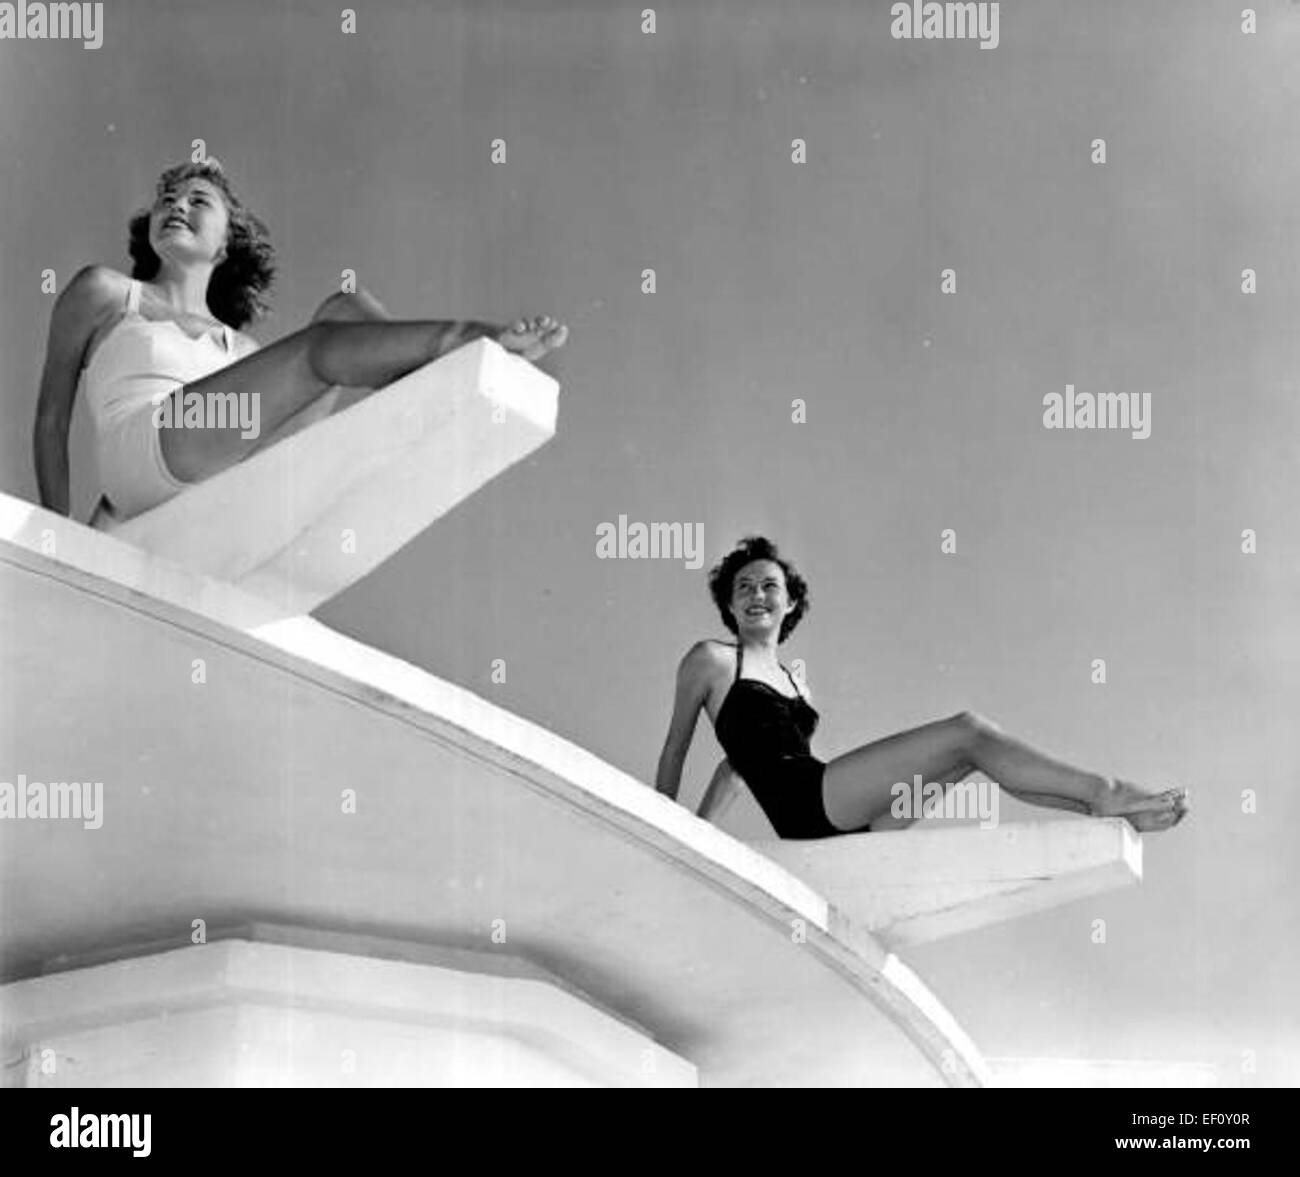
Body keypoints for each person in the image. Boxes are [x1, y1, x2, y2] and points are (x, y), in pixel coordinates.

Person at [32, 160, 568, 524]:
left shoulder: (239, 353)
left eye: (199, 201)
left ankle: (434, 388)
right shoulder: (105, 292)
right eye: (166, 198)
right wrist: (60, 537)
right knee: (317, 351)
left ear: (225, 247)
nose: (176, 204)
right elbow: (53, 419)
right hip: (144, 450)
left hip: (223, 470)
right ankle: (474, 340)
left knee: (344, 308)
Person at [655, 535, 1189, 840]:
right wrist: (667, 833)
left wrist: (701, 835)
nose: (755, 595)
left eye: (769, 585)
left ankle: (1093, 810)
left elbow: (737, 769)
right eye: (742, 587)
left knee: (967, 758)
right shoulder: (711, 661)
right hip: (810, 809)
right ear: (728, 604)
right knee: (967, 730)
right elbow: (676, 747)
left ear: (789, 603)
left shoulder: (797, 682)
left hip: (852, 827)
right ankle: (1106, 789)